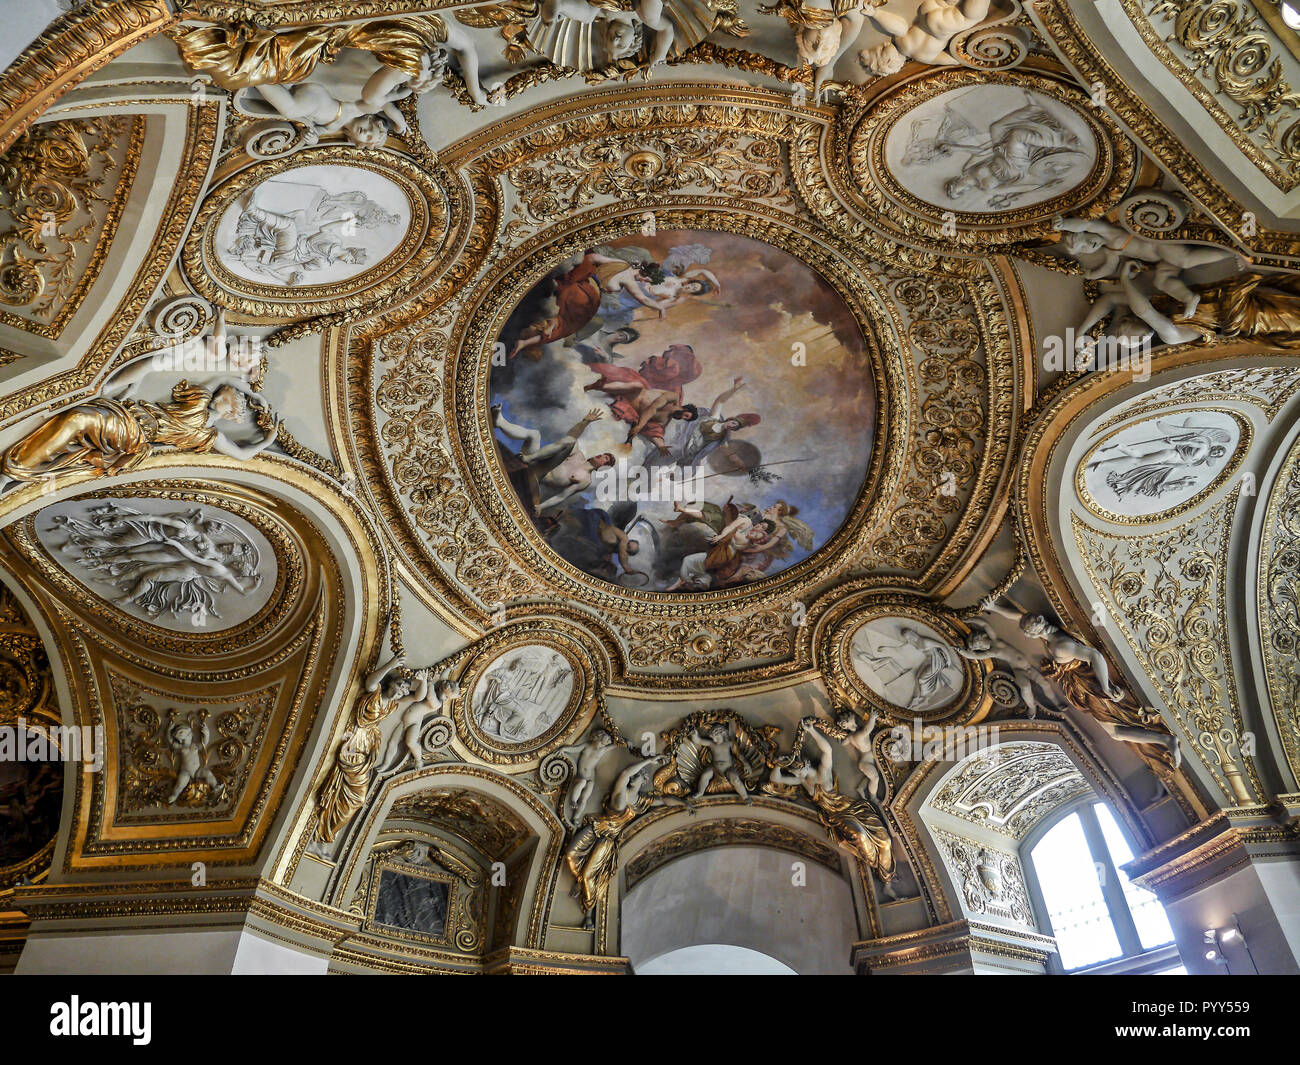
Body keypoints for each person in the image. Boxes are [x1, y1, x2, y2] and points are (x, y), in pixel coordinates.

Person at [0, 379, 279, 492]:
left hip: (135, 434)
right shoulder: (198, 400)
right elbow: (226, 374)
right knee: (74, 426)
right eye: (224, 393)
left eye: (228, 400)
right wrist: (256, 393)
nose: (221, 395)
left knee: (78, 419)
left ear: (231, 413)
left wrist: (267, 440)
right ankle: (20, 465)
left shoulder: (208, 435)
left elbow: (242, 454)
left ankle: (14, 469)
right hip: (126, 413)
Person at [492, 405, 614, 513]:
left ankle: (529, 459)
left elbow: (562, 496)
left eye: (606, 458)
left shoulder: (586, 480)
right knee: (535, 435)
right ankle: (499, 422)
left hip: (540, 475)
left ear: (603, 466)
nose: (602, 455)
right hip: (533, 460)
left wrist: (541, 507)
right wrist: (585, 421)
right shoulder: (578, 454)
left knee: (569, 442)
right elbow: (571, 436)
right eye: (604, 454)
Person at [858, 0, 993, 75]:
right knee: (969, 14)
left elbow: (953, 59)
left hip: (945, 23)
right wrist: (875, 14)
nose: (884, 44)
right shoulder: (903, 42)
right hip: (933, 9)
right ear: (891, 61)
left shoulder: (923, 56)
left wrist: (876, 14)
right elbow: (897, 26)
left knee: (971, 16)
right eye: (882, 51)